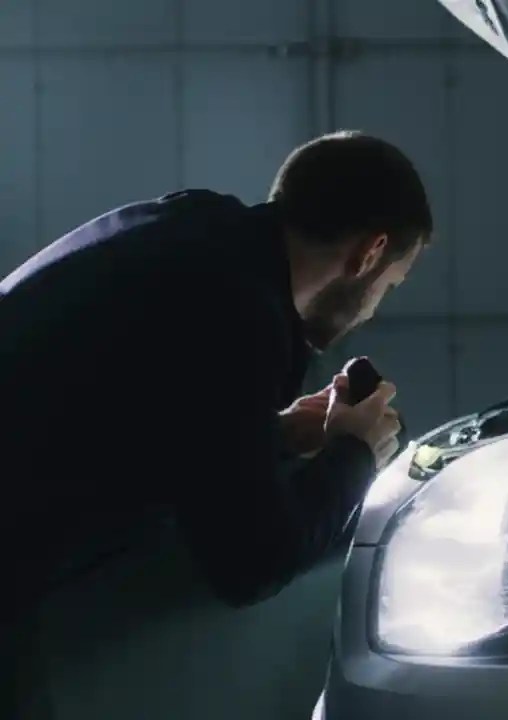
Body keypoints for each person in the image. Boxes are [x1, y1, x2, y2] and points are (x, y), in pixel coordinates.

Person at [0, 130, 432, 716]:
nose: (376, 306)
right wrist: (357, 455)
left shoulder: (192, 230)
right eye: (390, 285)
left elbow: (132, 424)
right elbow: (251, 561)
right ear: (369, 253)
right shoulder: (238, 314)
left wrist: (275, 437)